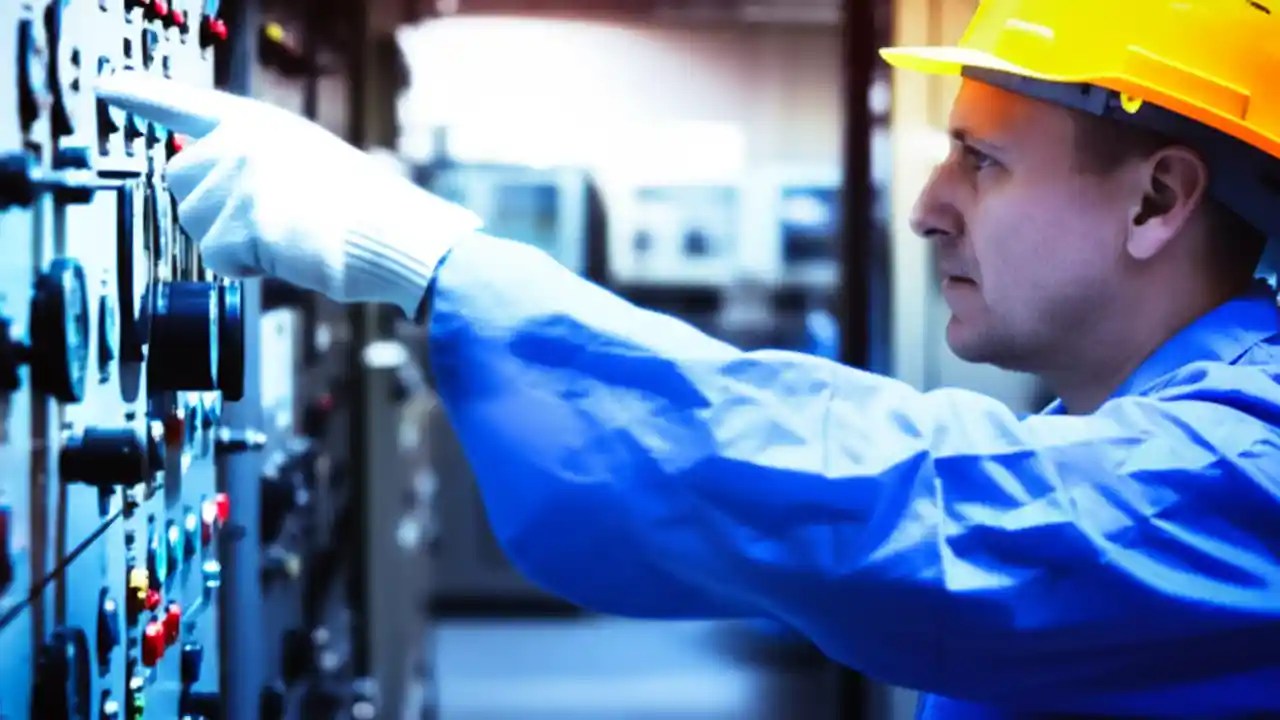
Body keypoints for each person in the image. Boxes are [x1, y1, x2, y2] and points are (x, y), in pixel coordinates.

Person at [99, 0, 1280, 716]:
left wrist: (433, 259)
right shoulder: (1155, 416)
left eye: (978, 159)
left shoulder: (1247, 464)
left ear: (1155, 200)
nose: (925, 208)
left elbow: (912, 508)